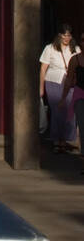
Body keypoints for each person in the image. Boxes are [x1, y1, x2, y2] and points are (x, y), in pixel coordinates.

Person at [40, 24, 78, 153]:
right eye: (64, 35)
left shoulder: (75, 49)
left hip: (70, 82)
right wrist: (41, 88)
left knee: (69, 111)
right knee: (57, 110)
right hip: (53, 81)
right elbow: (43, 69)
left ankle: (65, 140)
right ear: (59, 35)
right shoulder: (50, 48)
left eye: (69, 35)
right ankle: (57, 140)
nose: (67, 38)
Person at [61, 43, 84, 174]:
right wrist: (63, 98)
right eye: (82, 39)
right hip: (80, 96)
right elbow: (69, 79)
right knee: (83, 128)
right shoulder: (75, 59)